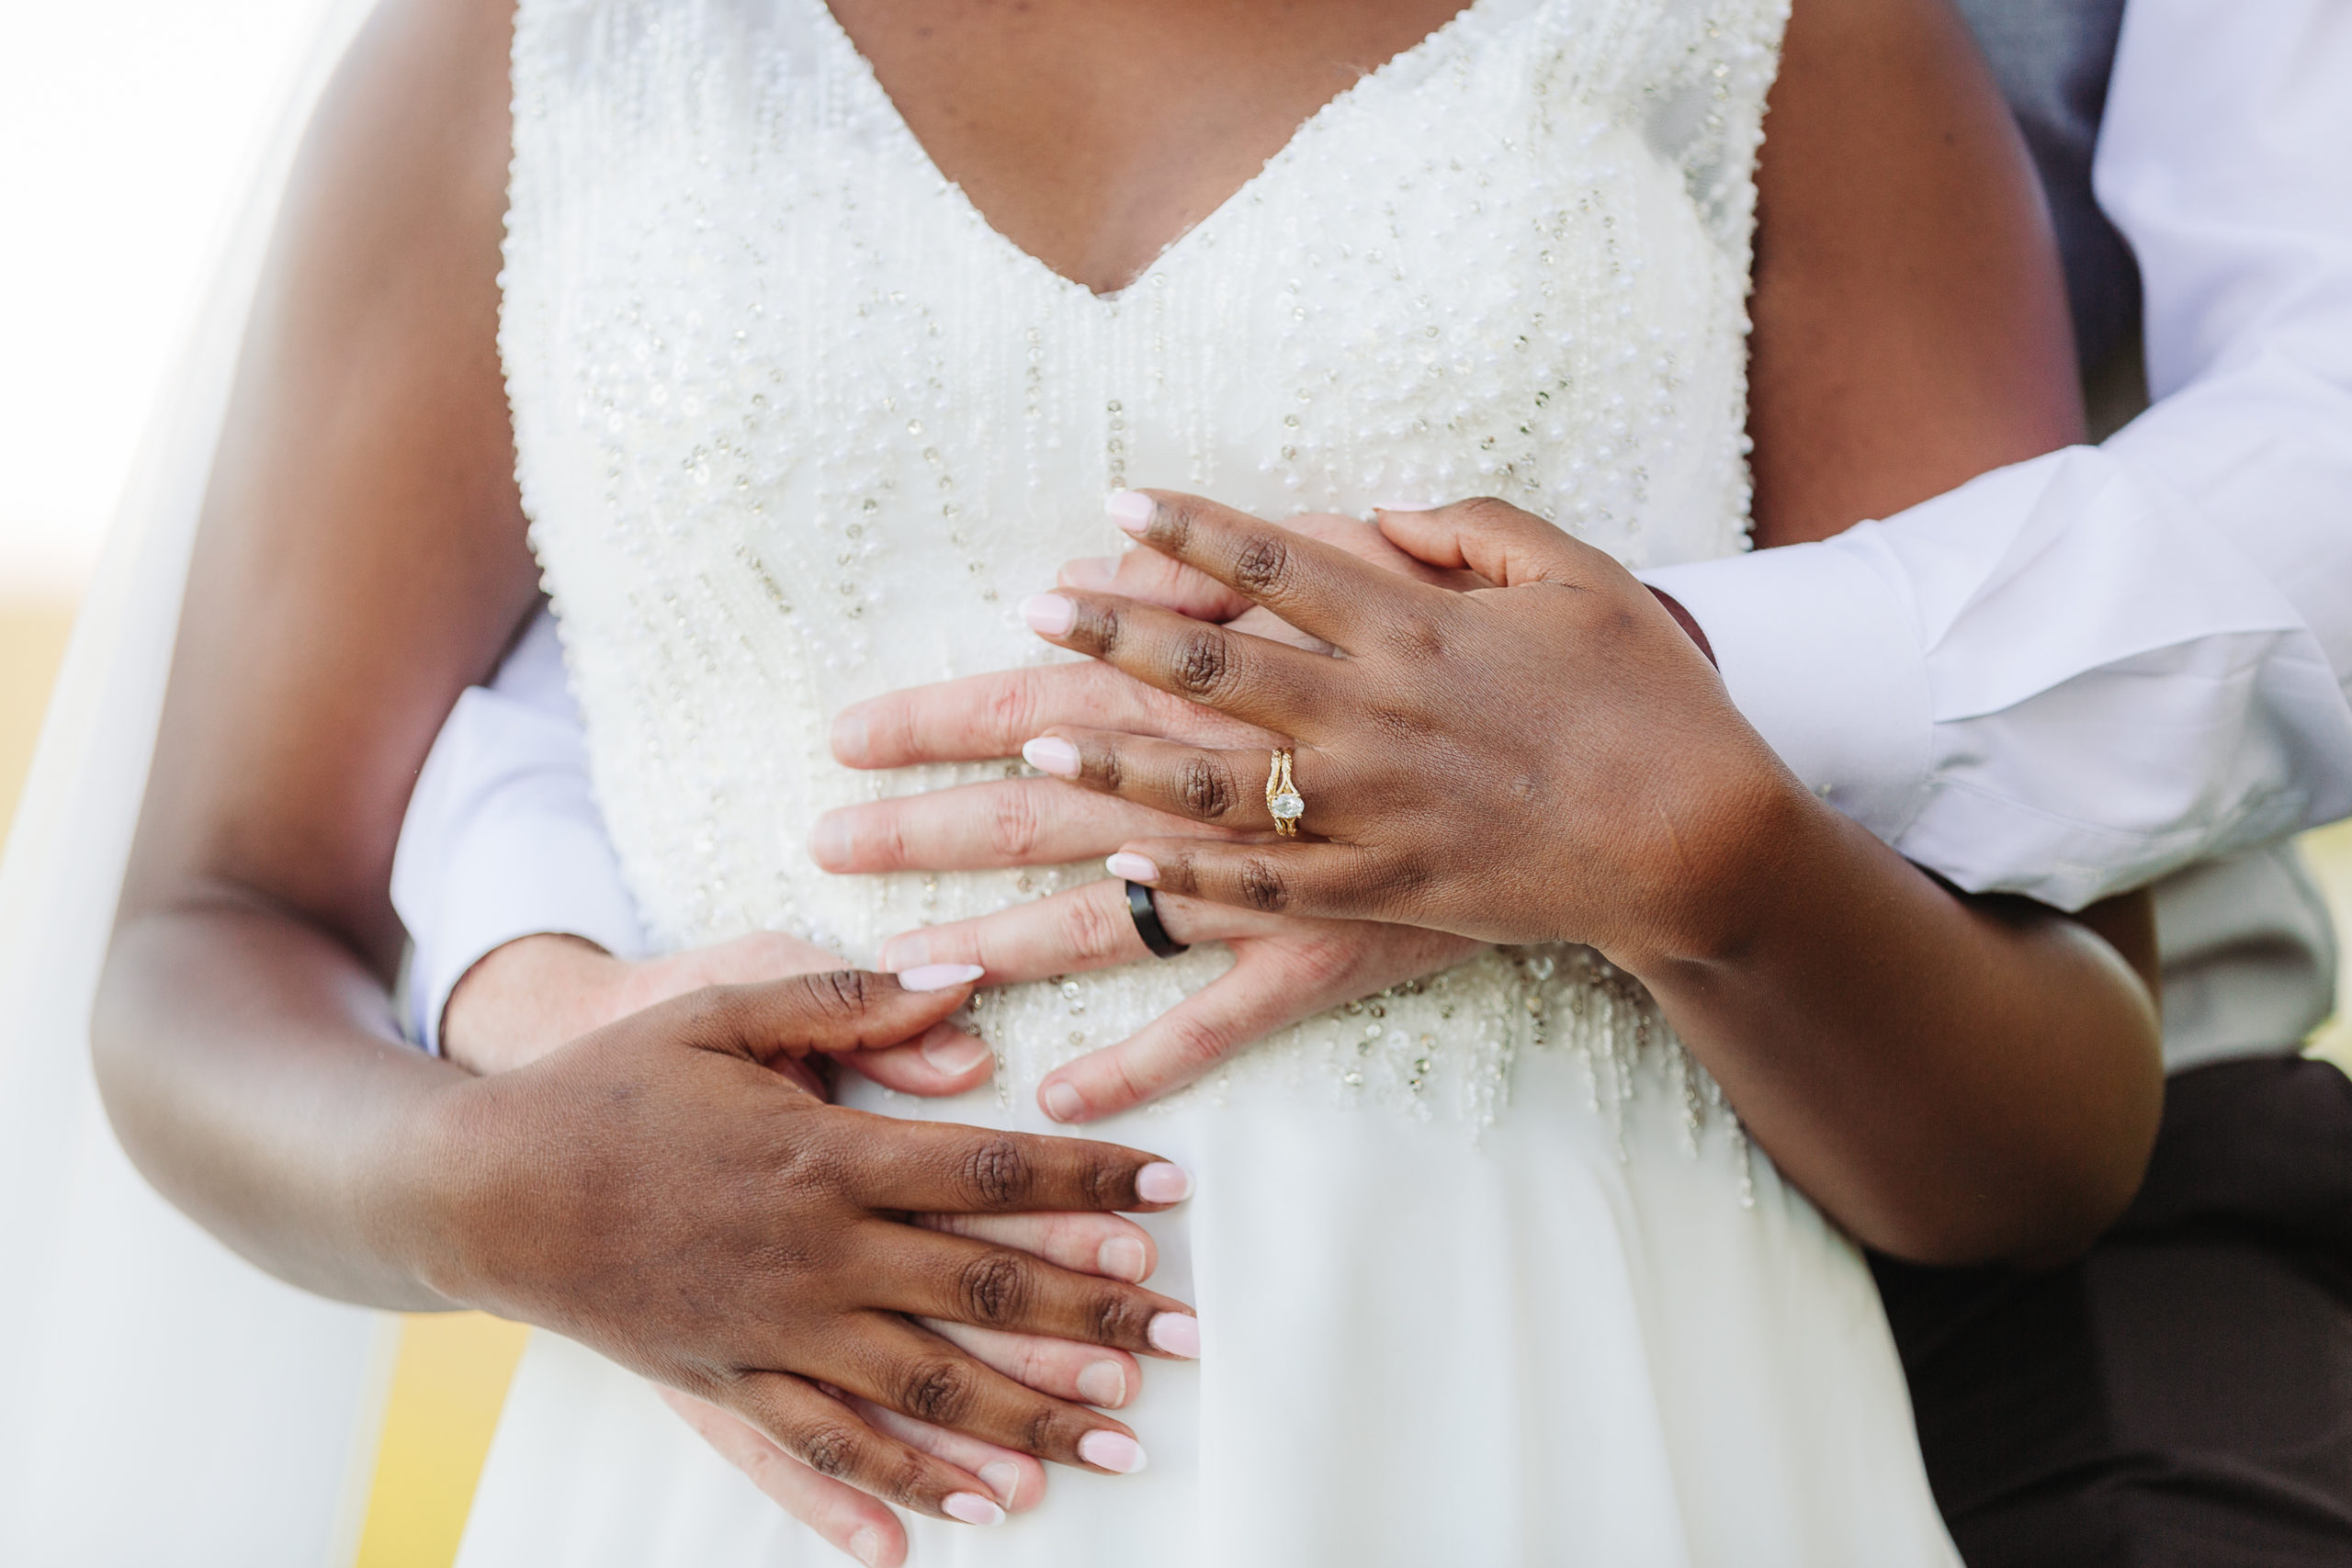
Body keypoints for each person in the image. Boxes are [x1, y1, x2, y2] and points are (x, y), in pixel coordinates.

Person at [17, 0, 2177, 1563]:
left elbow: (2053, 1116)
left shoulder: (1788, 44)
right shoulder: (526, 56)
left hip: (1571, 1429)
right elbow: (213, 932)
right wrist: (489, 1190)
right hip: (786, 1479)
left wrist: (1692, 856)